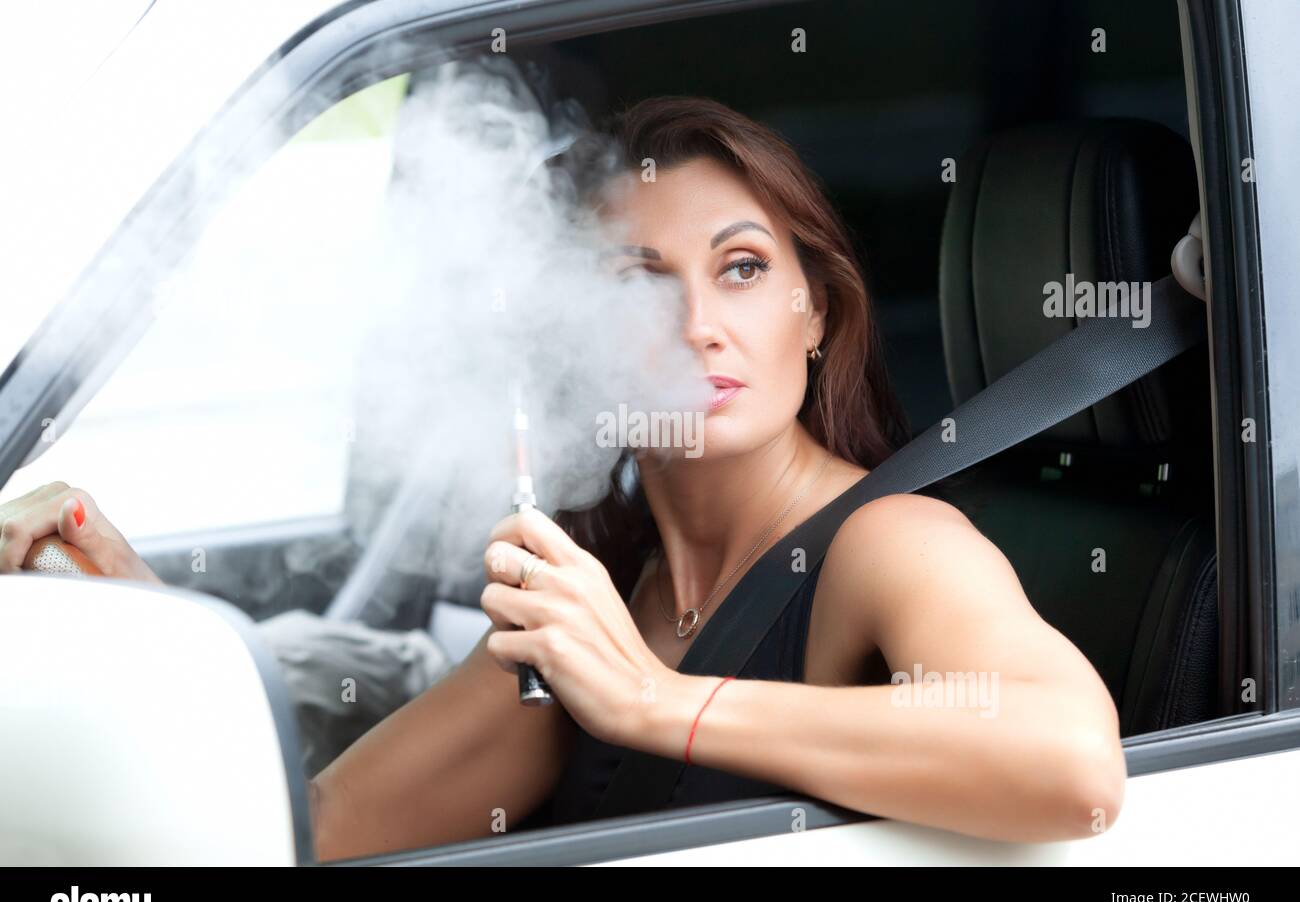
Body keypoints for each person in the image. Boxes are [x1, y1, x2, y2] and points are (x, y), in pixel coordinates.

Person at [0, 96, 1126, 861]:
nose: (696, 324)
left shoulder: (885, 542)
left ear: (814, 311)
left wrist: (655, 700)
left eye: (741, 270)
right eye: (636, 283)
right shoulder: (601, 587)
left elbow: (1077, 766)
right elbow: (315, 829)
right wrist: (144, 612)